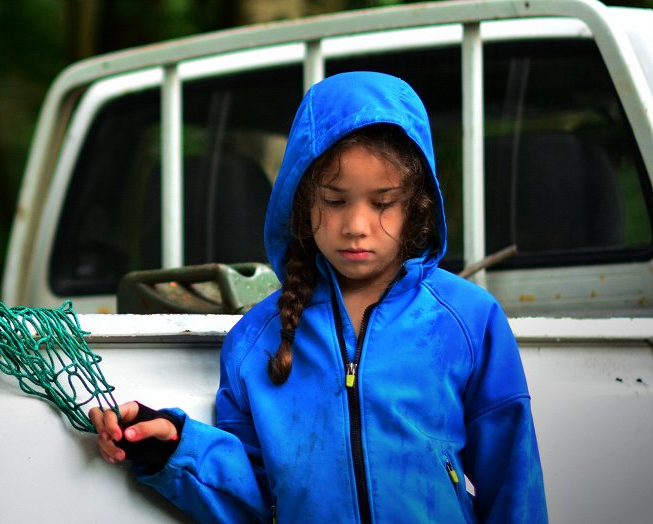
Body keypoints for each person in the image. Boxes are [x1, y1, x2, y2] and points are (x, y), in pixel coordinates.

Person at [89, 71, 548, 523]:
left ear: (416, 205)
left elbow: (514, 485)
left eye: (382, 202)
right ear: (302, 201)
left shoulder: (468, 320)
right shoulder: (255, 341)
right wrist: (172, 447)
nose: (356, 225)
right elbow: (252, 498)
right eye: (334, 200)